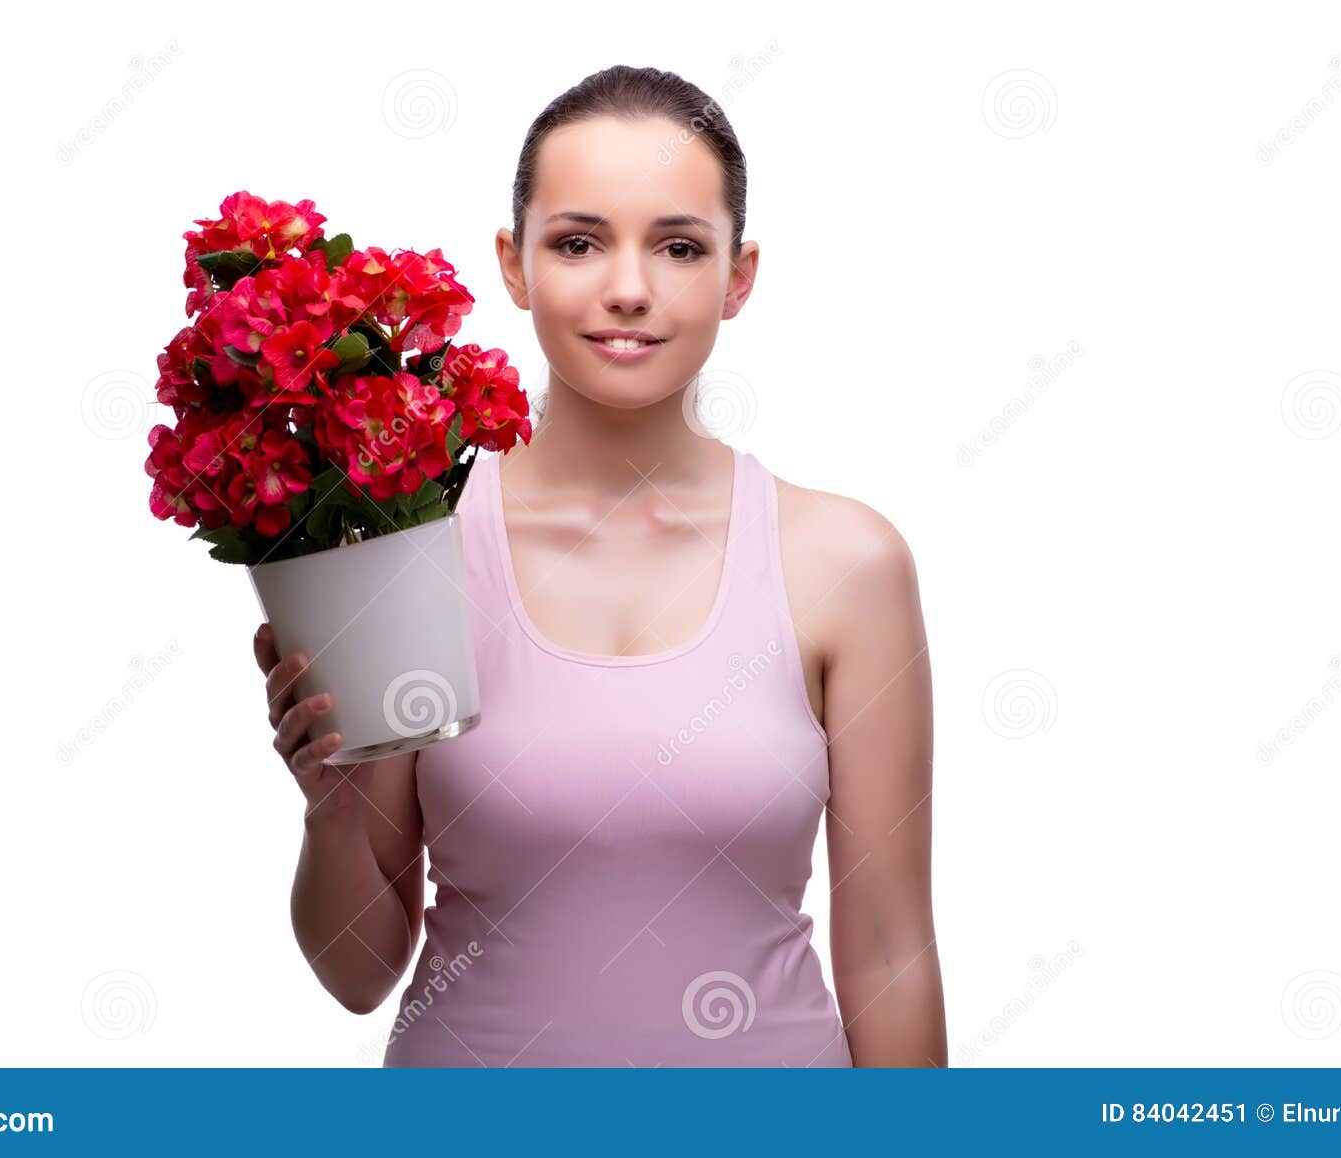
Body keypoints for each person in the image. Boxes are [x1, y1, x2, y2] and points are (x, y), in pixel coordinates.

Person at [255, 64, 946, 1067]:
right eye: (578, 243)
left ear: (737, 276)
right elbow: (359, 972)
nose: (627, 289)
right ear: (513, 262)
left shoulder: (845, 564)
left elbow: (888, 948)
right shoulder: (411, 542)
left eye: (677, 247)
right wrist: (330, 805)